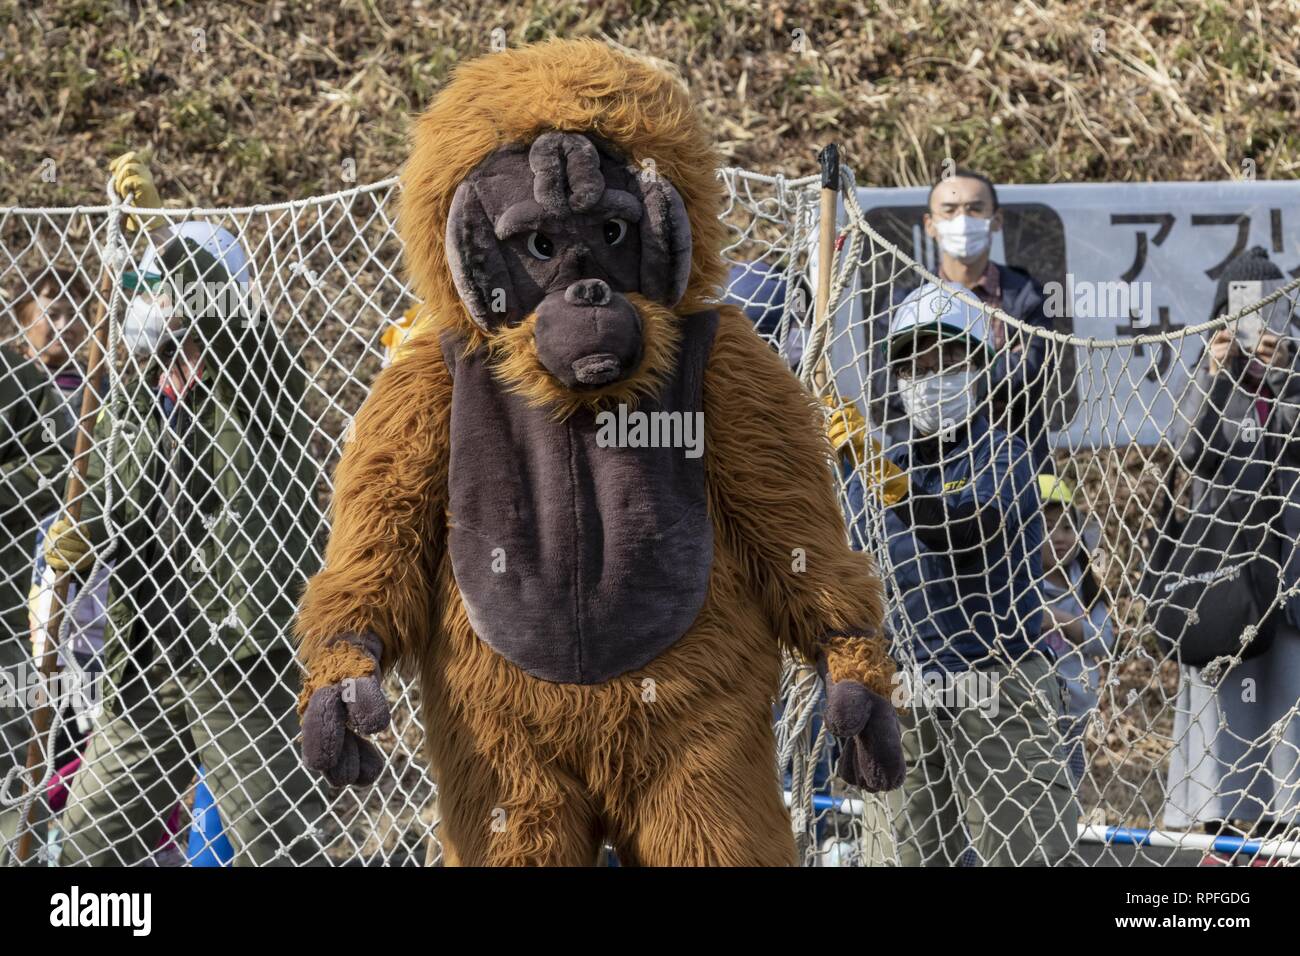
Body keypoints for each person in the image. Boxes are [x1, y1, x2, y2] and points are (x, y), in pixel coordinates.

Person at [44, 154, 326, 866]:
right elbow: (111, 491)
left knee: (275, 843)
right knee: (88, 846)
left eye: (187, 319)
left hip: (235, 649)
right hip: (149, 647)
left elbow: (232, 336)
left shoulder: (260, 379)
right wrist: (74, 537)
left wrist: (151, 239)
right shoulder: (140, 394)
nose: (178, 349)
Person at [833, 281, 1077, 866]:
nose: (930, 376)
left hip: (1000, 682)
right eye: (915, 363)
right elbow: (853, 574)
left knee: (1026, 852)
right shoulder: (880, 462)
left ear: (979, 368)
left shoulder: (1006, 452)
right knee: (903, 856)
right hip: (908, 689)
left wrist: (884, 480)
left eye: (947, 359)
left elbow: (964, 528)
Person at [1163, 247, 1300, 863]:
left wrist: (1287, 374)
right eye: (1245, 310)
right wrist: (1218, 377)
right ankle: (1225, 846)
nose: (1261, 326)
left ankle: (1285, 839)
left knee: (1287, 711)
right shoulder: (1208, 375)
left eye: (1275, 310)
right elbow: (1198, 457)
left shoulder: (1297, 373)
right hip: (1227, 584)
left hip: (1292, 579)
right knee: (1225, 722)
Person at [869, 168, 1056, 471]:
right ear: (930, 224)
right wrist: (995, 367)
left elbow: (1032, 374)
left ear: (996, 220)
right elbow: (885, 383)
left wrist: (929, 382)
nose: (962, 220)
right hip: (919, 467)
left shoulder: (1028, 295)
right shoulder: (902, 301)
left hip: (1012, 462)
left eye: (974, 209)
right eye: (950, 210)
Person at [1036, 474, 1114, 787]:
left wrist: (1059, 619)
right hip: (1034, 710)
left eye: (1067, 527)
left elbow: (1104, 641)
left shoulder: (1085, 585)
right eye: (1048, 526)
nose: (1059, 536)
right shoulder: (1022, 591)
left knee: (1068, 786)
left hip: (1075, 712)